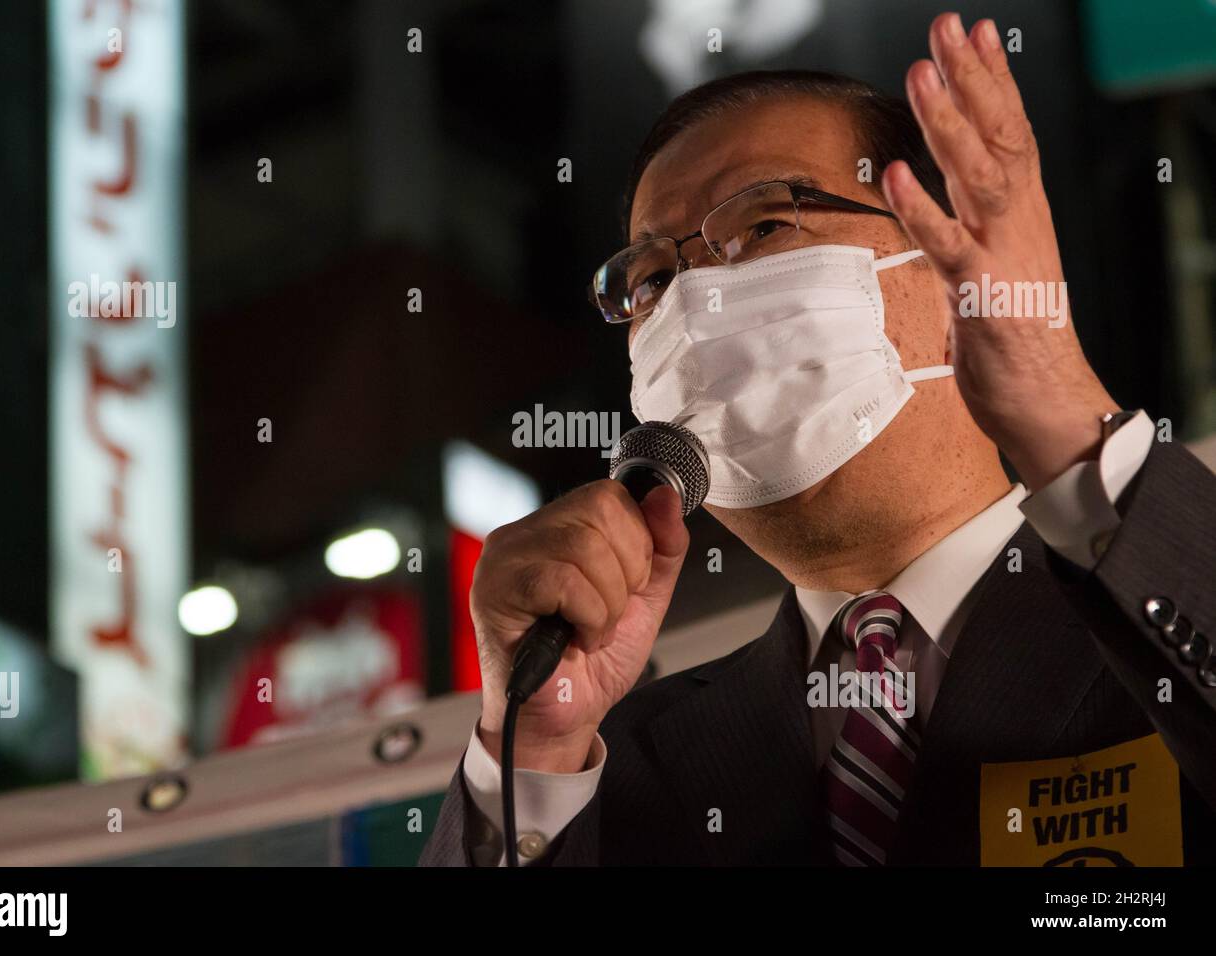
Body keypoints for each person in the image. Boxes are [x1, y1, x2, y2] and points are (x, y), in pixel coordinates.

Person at [420, 12, 1216, 866]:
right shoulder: (608, 775)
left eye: (763, 226)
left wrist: (1068, 419)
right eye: (650, 280)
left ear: (955, 260)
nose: (696, 304)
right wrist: (533, 749)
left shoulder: (1162, 625)